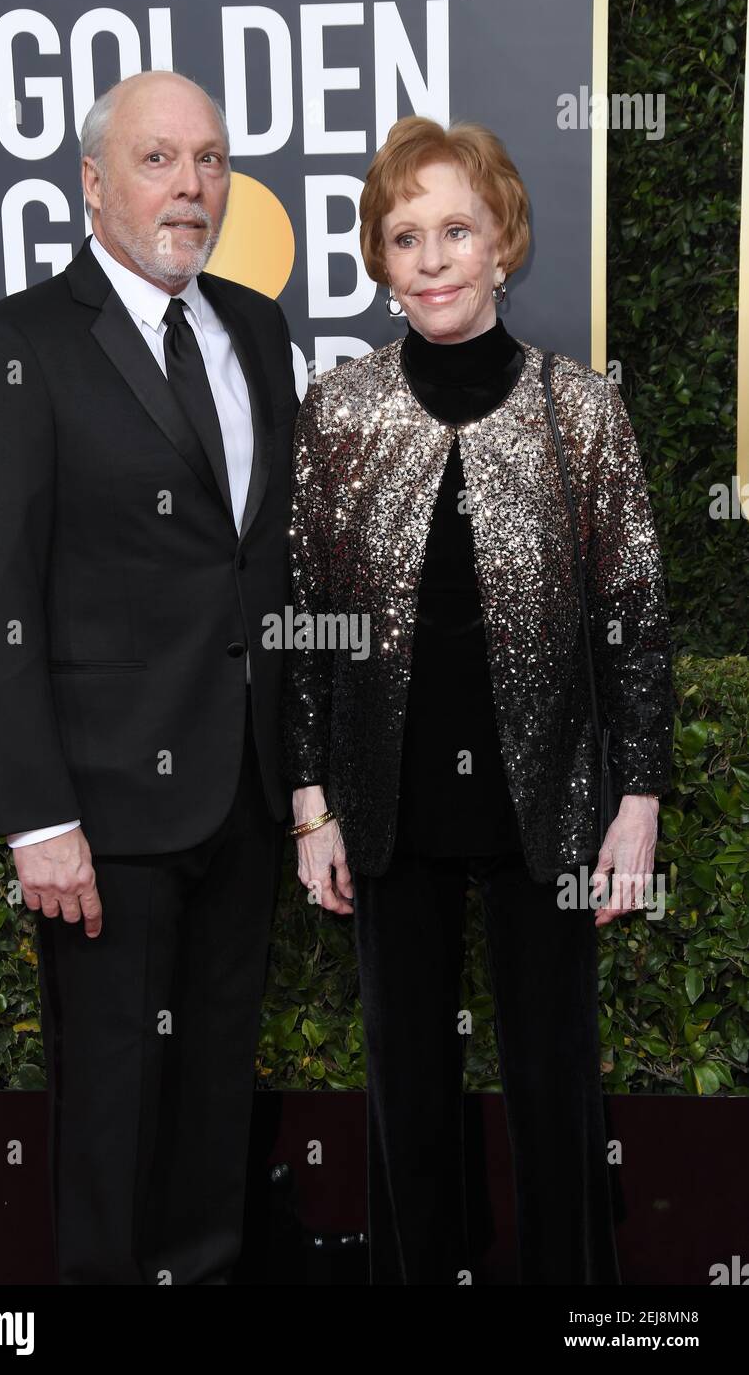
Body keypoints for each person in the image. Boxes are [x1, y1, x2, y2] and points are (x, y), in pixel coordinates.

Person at [283, 115, 674, 1285]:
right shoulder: (338, 416)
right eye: (406, 236)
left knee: (556, 1086)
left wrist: (636, 800)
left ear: (502, 240)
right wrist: (310, 804)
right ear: (381, 261)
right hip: (386, 811)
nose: (434, 255)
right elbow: (305, 621)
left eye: (456, 228)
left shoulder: (578, 410)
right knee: (405, 1090)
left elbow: (633, 614)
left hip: (543, 808)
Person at [0, 69, 300, 1285]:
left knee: (211, 1109)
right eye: (158, 159)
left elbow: (266, 566)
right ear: (92, 184)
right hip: (101, 811)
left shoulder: (255, 326)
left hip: (243, 792)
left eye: (209, 159)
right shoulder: (17, 347)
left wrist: (302, 784)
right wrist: (37, 816)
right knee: (110, 1120)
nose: (190, 185)